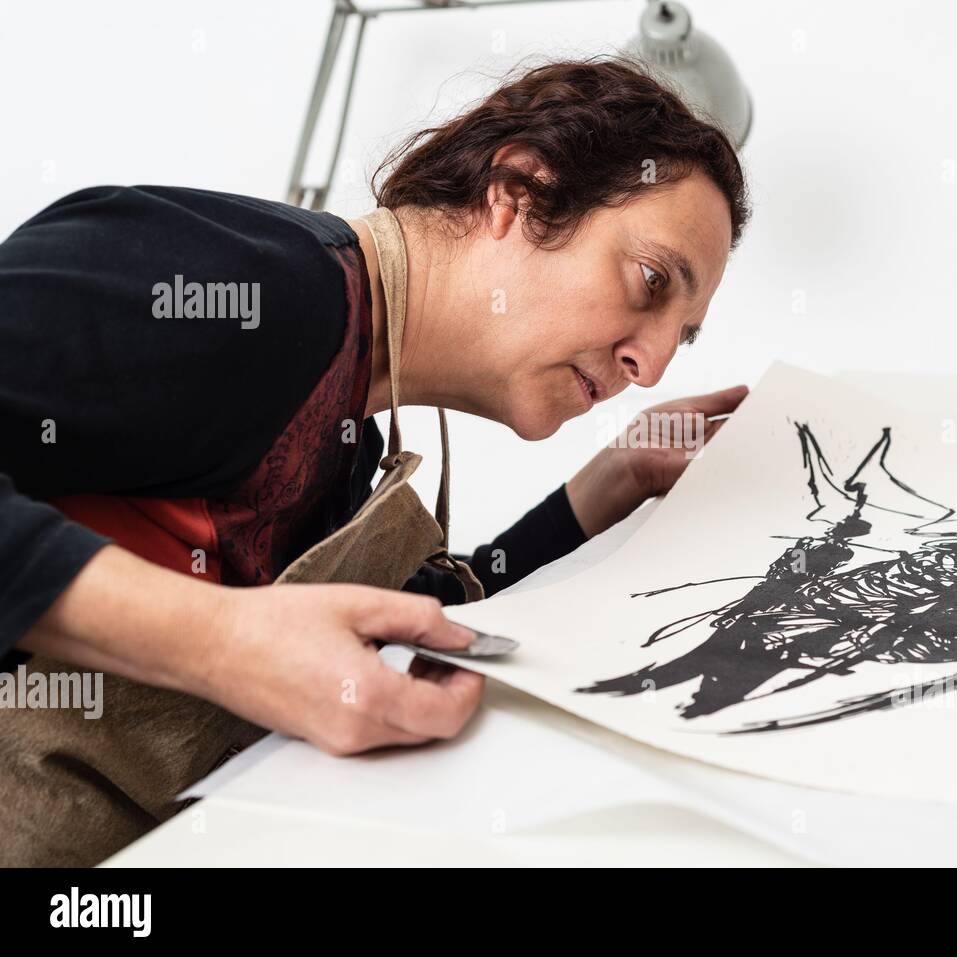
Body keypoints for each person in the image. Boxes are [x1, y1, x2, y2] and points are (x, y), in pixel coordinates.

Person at [0, 56, 750, 863]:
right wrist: (223, 643)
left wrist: (616, 480)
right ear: (519, 191)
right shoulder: (249, 286)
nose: (656, 364)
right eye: (650, 280)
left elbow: (415, 621)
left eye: (686, 332)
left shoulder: (350, 424)